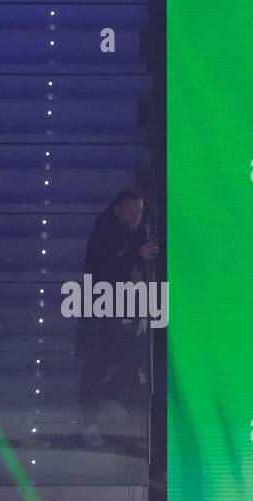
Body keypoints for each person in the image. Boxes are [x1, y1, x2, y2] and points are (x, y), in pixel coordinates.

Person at [76, 188, 159, 447]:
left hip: (122, 311)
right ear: (117, 209)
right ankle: (89, 425)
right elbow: (99, 271)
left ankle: (107, 396)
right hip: (98, 312)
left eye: (140, 211)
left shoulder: (136, 237)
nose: (136, 216)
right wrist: (133, 262)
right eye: (131, 210)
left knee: (135, 360)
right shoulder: (103, 236)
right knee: (94, 368)